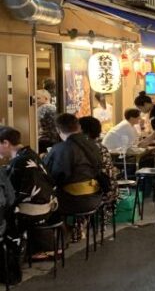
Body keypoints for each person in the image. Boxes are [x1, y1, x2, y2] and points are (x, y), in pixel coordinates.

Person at [0, 127, 56, 259]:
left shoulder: (18, 162)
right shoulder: (31, 154)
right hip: (49, 206)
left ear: (6, 143)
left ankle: (13, 254)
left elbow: (11, 196)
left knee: (4, 213)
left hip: (33, 212)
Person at [44, 113, 104, 224]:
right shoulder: (93, 145)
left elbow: (54, 176)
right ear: (79, 127)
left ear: (58, 130)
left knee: (42, 201)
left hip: (74, 200)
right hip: (95, 196)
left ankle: (60, 234)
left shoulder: (61, 148)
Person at [78, 116, 119, 223]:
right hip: (110, 190)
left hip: (97, 193)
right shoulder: (101, 147)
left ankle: (78, 228)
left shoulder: (82, 147)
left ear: (81, 129)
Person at [36, 89, 59, 154]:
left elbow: (35, 125)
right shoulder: (54, 107)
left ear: (46, 98)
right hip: (55, 139)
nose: (36, 101)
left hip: (44, 140)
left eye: (38, 98)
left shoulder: (42, 108)